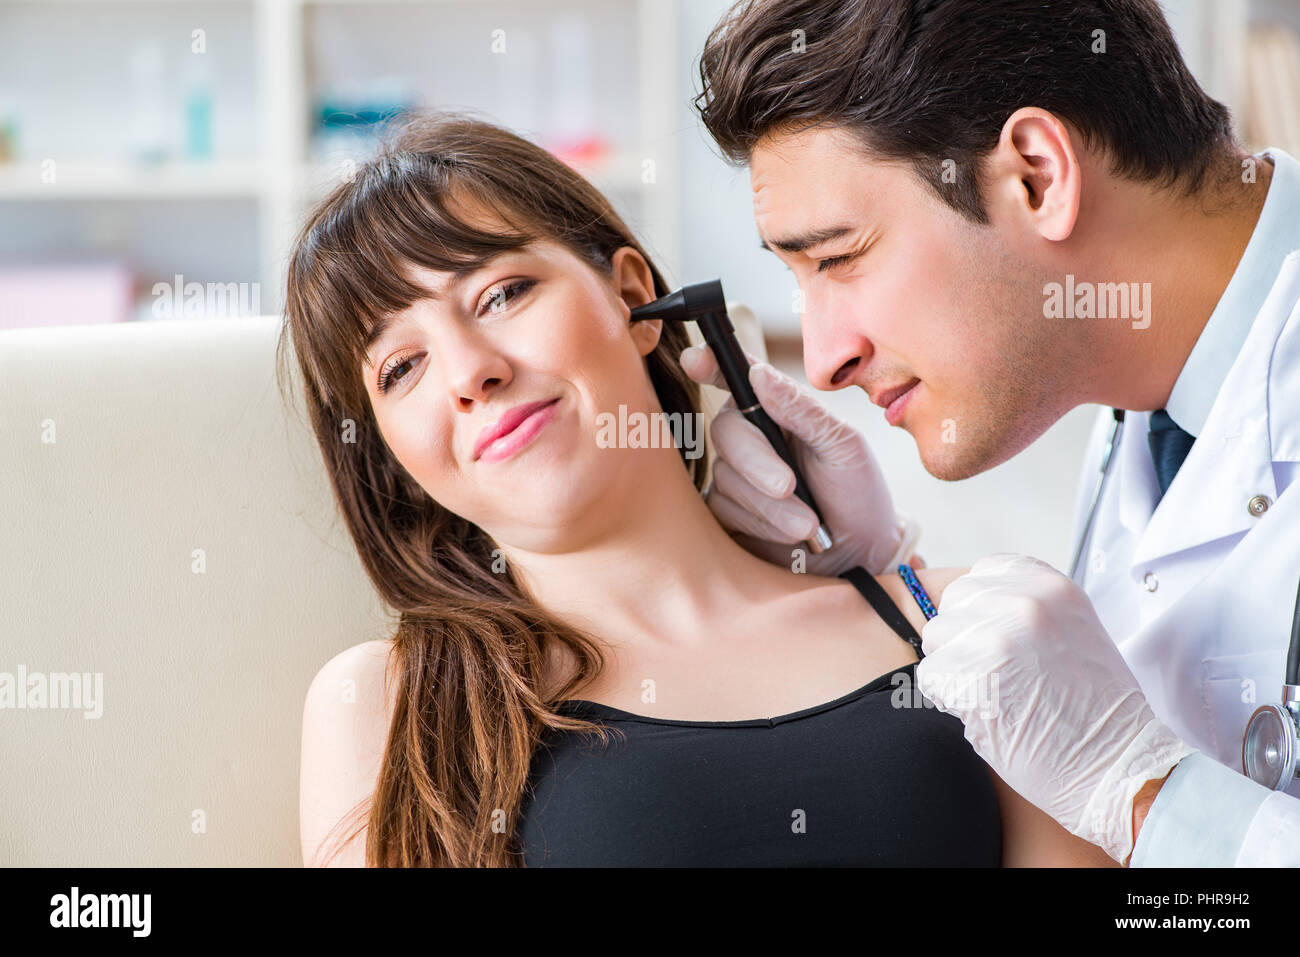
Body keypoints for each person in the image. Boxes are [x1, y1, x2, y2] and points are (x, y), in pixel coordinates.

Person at [285, 111, 1116, 867]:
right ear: (387, 453)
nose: (471, 372)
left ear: (632, 293)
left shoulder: (964, 623)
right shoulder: (394, 711)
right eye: (402, 366)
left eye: (501, 294)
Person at [686, 0, 1300, 866]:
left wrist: (1143, 793)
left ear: (1037, 177)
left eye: (837, 258)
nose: (822, 358)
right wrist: (884, 576)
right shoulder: (1148, 410)